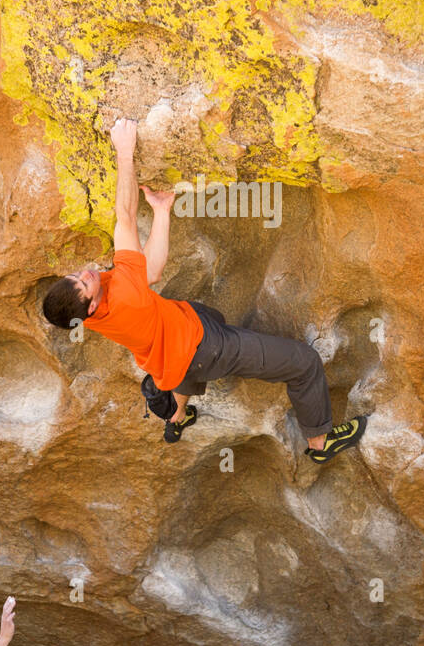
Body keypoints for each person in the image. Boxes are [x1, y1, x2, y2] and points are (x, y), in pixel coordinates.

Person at [42, 117, 367, 463]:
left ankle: (176, 418)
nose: (88, 274)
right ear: (89, 309)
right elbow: (124, 215)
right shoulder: (125, 294)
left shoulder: (88, 313)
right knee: (303, 362)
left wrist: (163, 211)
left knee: (199, 323)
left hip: (171, 356)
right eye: (84, 284)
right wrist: (125, 153)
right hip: (207, 348)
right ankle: (320, 444)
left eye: (77, 275)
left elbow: (149, 271)